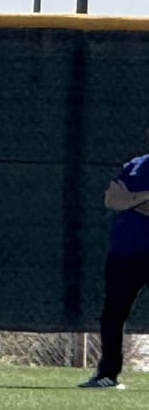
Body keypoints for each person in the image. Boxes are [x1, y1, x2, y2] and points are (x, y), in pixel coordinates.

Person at [79, 145, 149, 389]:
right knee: (113, 315)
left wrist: (130, 199)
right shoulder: (135, 165)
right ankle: (107, 375)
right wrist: (137, 199)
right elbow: (112, 200)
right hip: (124, 254)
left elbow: (124, 201)